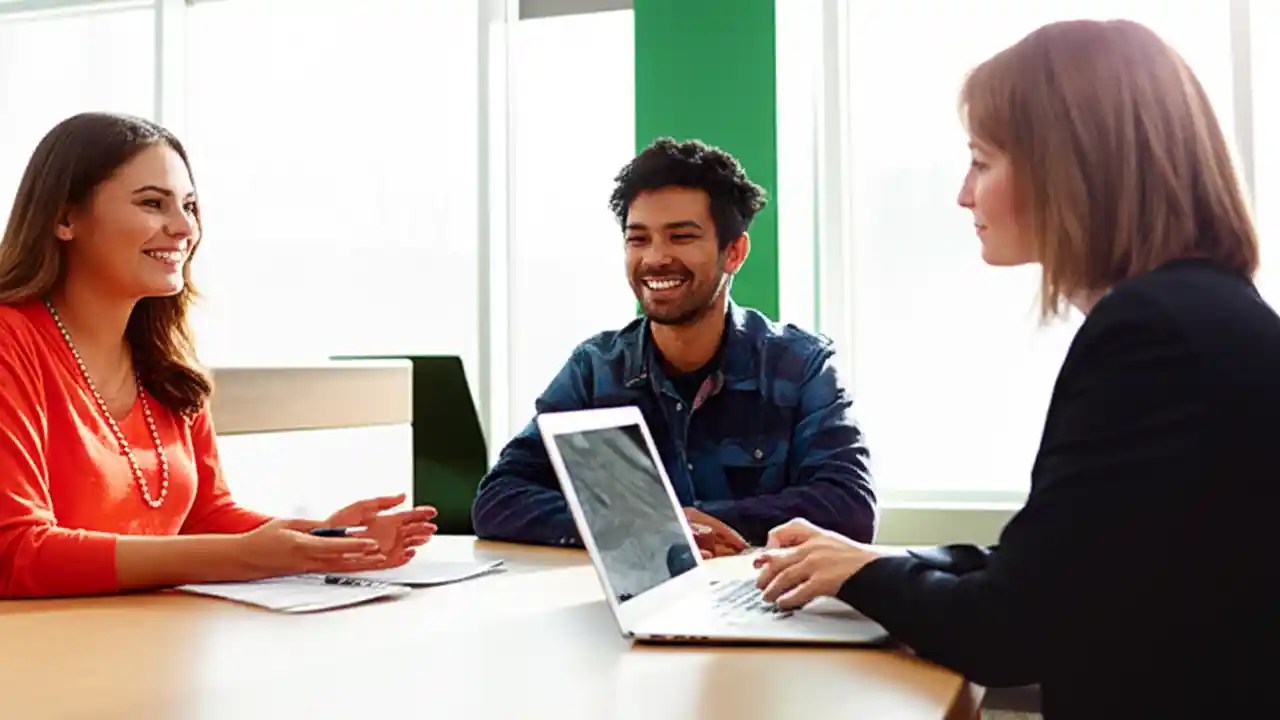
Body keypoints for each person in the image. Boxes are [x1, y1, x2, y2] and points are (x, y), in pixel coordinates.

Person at [753, 20, 1278, 719]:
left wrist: (868, 575)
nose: (965, 195)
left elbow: (1012, 629)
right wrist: (866, 562)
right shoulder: (1207, 314)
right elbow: (1066, 562)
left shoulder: (1154, 337)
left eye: (981, 160)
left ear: (1071, 167)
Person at [0, 112, 437, 599]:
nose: (183, 227)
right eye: (152, 203)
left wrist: (325, 542)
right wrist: (252, 555)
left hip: (145, 649)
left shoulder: (166, 360)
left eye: (189, 206)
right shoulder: (9, 341)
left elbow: (206, 517)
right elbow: (15, 551)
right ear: (64, 218)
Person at [473, 138, 875, 556]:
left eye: (681, 237)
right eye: (638, 239)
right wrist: (649, 525)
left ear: (734, 252)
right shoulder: (594, 369)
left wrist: (687, 521)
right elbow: (499, 499)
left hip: (764, 602)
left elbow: (849, 507)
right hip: (632, 607)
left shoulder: (803, 365)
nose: (656, 257)